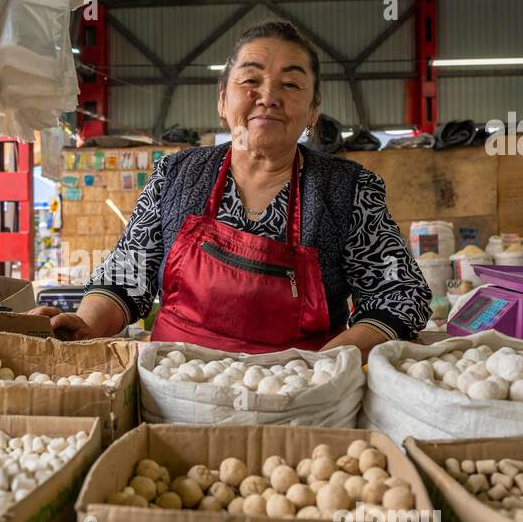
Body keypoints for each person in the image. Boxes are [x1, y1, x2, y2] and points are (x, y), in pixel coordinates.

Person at [31, 19, 431, 359]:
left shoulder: (347, 190)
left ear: (312, 112)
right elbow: (125, 275)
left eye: (290, 85)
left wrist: (328, 365)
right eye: (250, 80)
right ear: (222, 99)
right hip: (175, 391)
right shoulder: (175, 176)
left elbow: (400, 295)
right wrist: (86, 324)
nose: (269, 97)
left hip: (299, 400)